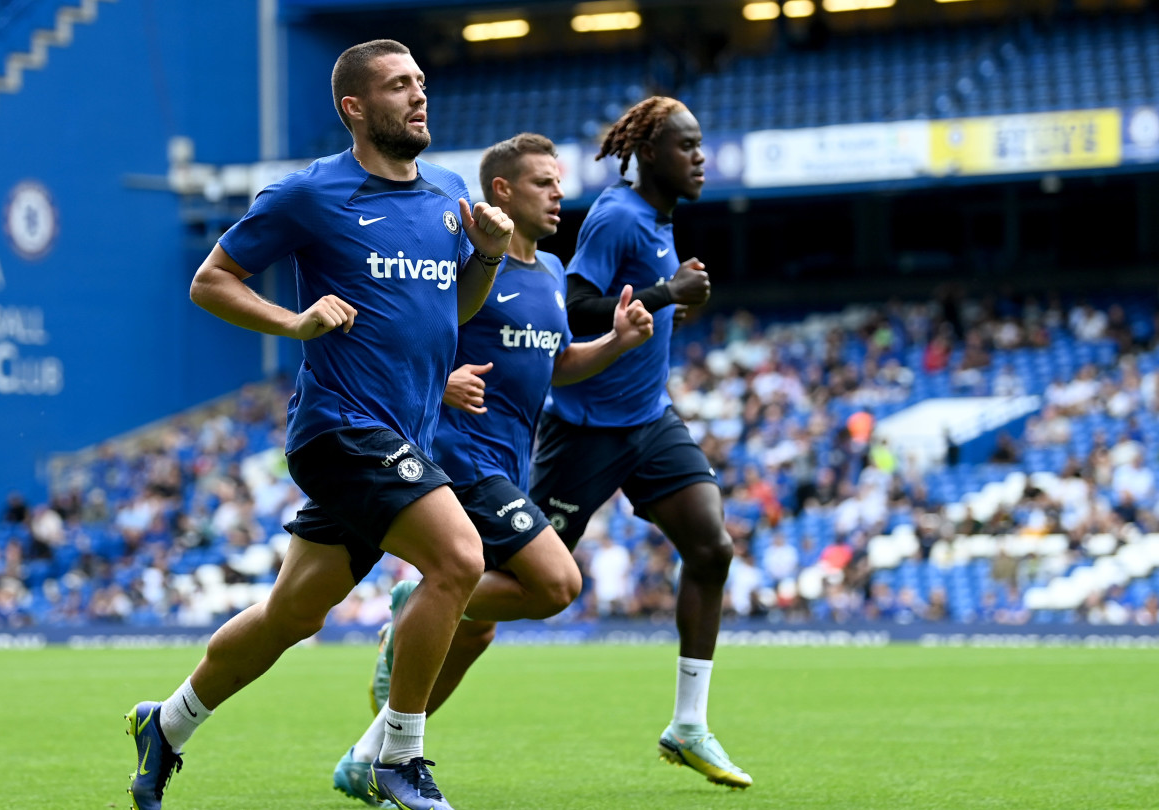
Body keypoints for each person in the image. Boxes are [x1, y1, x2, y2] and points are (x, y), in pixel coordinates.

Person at [124, 40, 514, 810]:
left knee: (292, 613)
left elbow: (451, 309)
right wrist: (294, 322)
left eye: (420, 82)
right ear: (354, 108)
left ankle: (165, 724)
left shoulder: (448, 193)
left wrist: (489, 258)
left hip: (402, 434)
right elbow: (211, 281)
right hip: (341, 429)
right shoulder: (311, 193)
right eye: (398, 85)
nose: (418, 95)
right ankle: (398, 755)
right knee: (458, 557)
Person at [331, 132, 655, 806]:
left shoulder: (554, 272)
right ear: (502, 190)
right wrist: (441, 378)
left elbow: (557, 365)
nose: (559, 193)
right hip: (460, 458)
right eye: (543, 182)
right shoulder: (471, 261)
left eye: (559, 182)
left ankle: (369, 755)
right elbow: (404, 329)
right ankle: (414, 600)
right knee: (558, 583)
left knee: (474, 632)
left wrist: (617, 342)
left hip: (510, 464)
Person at [529, 96, 753, 788]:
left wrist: (674, 303)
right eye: (687, 147)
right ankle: (414, 614)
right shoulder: (618, 216)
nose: (700, 158)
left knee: (712, 548)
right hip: (586, 430)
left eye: (701, 145)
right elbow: (574, 311)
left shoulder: (659, 218)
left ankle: (689, 725)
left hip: (650, 420)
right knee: (523, 582)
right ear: (649, 154)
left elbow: (638, 313)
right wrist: (667, 291)